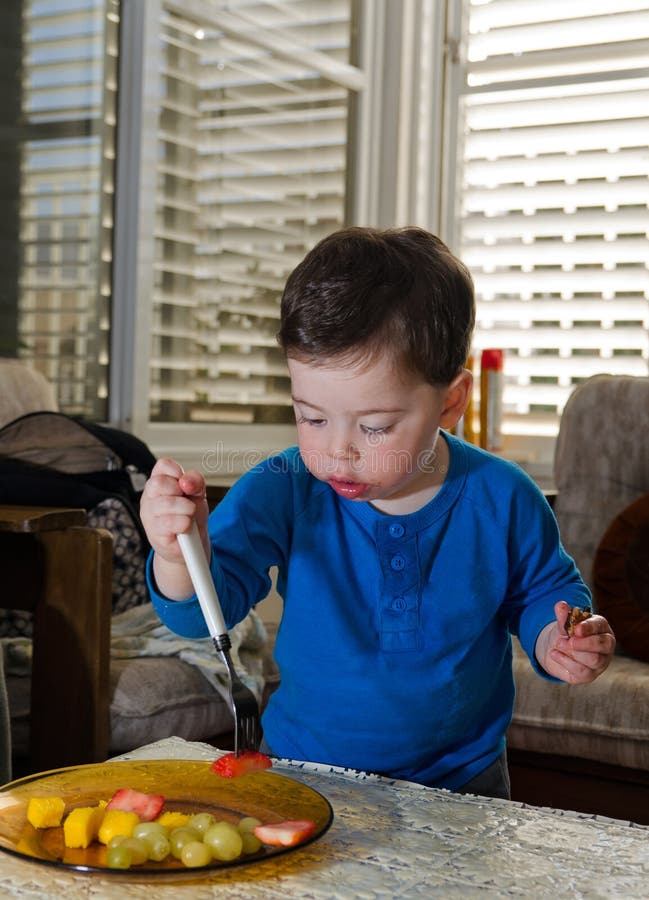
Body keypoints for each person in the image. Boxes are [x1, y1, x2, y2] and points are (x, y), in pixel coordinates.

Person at [140, 226, 616, 799]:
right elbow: (200, 619)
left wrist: (559, 640)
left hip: (463, 784)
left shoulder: (504, 496)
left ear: (450, 402)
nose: (338, 449)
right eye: (312, 418)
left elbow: (543, 596)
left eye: (374, 426)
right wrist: (175, 553)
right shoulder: (282, 487)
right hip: (303, 776)